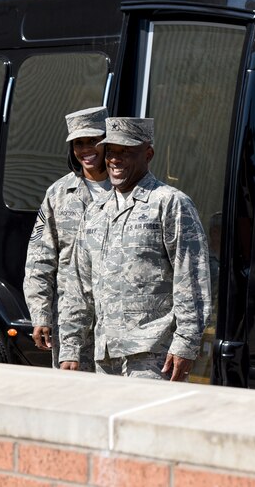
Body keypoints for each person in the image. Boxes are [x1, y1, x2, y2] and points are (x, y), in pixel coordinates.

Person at [58, 117, 211, 380]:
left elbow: (192, 279)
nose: (114, 159)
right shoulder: (95, 212)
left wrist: (186, 343)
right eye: (111, 151)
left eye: (126, 151)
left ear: (148, 154)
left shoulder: (170, 203)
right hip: (105, 355)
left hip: (154, 354)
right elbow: (77, 287)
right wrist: (70, 348)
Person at [23, 106, 111, 371]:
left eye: (93, 141)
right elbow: (39, 259)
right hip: (70, 322)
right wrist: (40, 315)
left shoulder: (125, 190)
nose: (86, 150)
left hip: (117, 323)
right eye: (79, 143)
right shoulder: (59, 194)